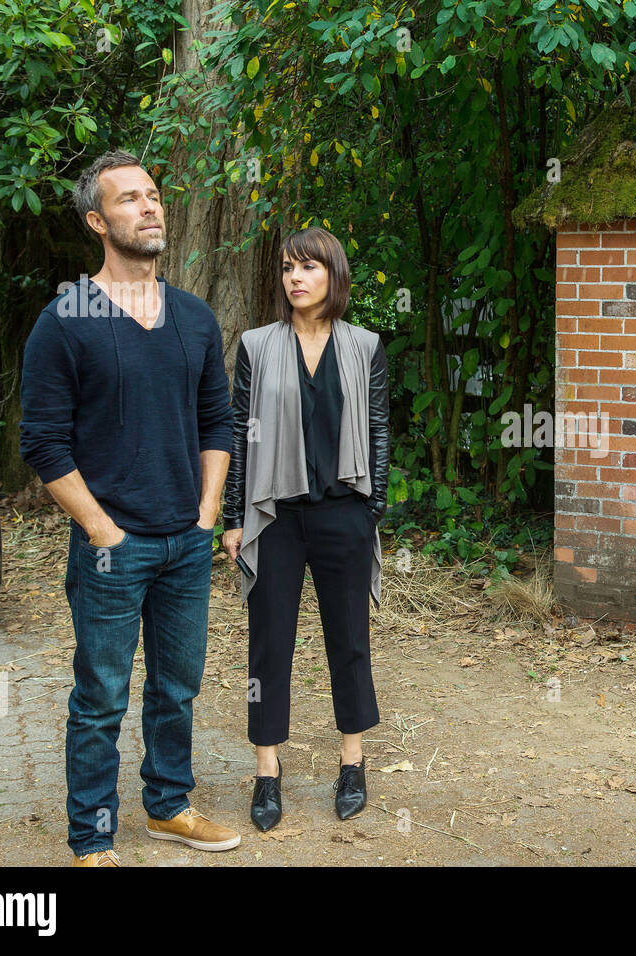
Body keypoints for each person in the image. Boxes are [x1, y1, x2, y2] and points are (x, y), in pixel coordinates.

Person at [19, 149, 241, 867]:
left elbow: (217, 422)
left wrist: (207, 511)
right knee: (102, 699)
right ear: (96, 221)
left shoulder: (193, 317)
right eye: (129, 200)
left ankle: (169, 806)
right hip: (112, 546)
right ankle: (91, 840)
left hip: (185, 541)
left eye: (154, 195)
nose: (150, 207)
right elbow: (44, 443)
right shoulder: (67, 319)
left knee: (177, 689)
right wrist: (99, 525)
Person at [221, 226, 389, 832]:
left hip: (344, 511)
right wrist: (233, 516)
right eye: (288, 268)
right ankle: (267, 773)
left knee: (348, 640)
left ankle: (352, 763)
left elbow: (379, 429)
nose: (295, 277)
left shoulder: (365, 346)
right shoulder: (257, 345)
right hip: (275, 515)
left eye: (309, 267)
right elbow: (240, 433)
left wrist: (374, 508)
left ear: (333, 276)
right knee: (269, 645)